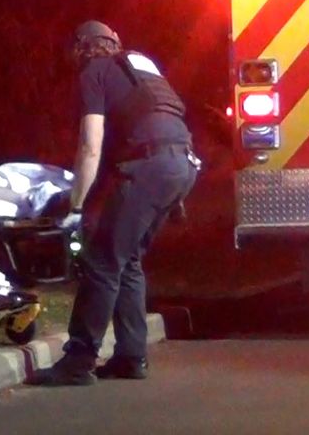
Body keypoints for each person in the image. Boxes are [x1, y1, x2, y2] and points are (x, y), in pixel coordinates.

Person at [34, 20, 198, 386]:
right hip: (183, 163)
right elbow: (148, 128)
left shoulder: (94, 71)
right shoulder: (142, 65)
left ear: (82, 48)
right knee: (129, 260)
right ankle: (130, 356)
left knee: (102, 261)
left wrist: (75, 207)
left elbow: (92, 145)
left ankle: (78, 360)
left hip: (151, 166)